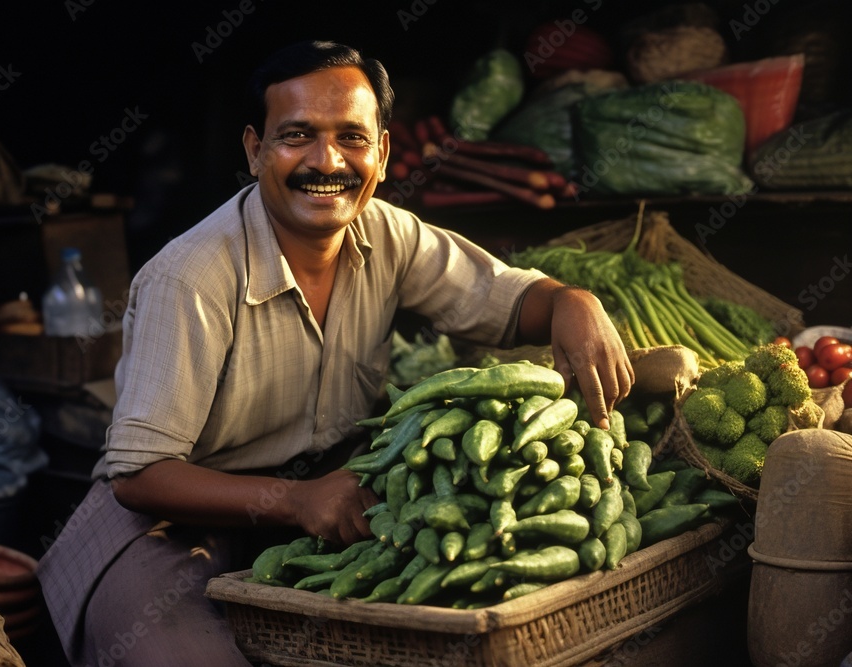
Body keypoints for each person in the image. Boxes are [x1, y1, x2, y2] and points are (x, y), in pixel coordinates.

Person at [37, 39, 634, 667]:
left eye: (352, 137)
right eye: (297, 136)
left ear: (382, 151)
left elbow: (506, 300)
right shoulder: (191, 277)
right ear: (254, 151)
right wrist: (295, 500)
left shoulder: (387, 233)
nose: (327, 161)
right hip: (172, 523)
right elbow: (139, 475)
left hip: (329, 501)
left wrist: (574, 301)